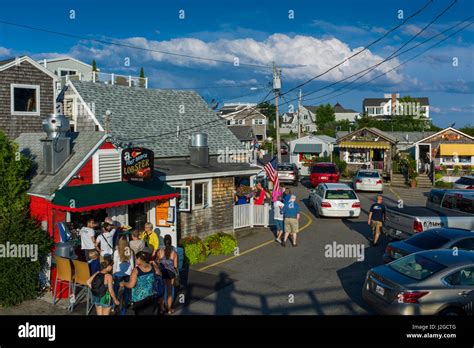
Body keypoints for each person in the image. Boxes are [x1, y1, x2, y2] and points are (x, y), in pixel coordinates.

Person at [120, 251, 161, 315]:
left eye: (136, 258)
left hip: (139, 299)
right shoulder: (152, 267)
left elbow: (131, 285)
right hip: (151, 297)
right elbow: (159, 274)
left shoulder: (136, 270)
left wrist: (123, 283)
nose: (135, 260)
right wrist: (154, 263)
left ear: (140, 259)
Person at [112, 236, 135, 315]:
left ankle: (113, 305)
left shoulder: (116, 251)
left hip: (118, 272)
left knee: (115, 288)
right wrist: (132, 273)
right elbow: (132, 264)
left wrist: (113, 273)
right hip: (128, 272)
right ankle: (124, 309)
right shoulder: (131, 251)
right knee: (127, 290)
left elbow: (115, 264)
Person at [157, 235, 179, 315]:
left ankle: (162, 309)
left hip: (162, 272)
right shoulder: (174, 253)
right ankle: (169, 309)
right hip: (170, 273)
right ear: (171, 242)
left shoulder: (160, 251)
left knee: (162, 291)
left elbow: (158, 262)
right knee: (169, 292)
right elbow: (175, 266)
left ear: (164, 242)